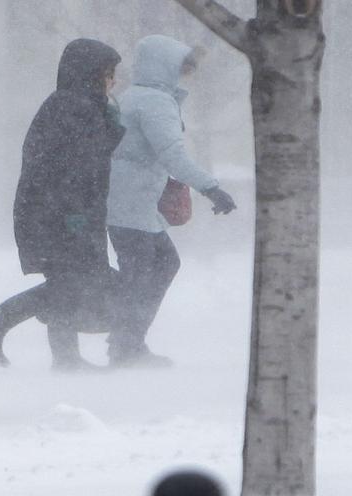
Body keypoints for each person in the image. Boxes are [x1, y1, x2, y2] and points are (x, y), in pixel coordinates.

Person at [0, 39, 125, 372]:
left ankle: (60, 354)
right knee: (72, 283)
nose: (113, 82)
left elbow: (88, 158)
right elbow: (73, 168)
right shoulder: (74, 107)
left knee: (67, 284)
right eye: (109, 74)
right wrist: (76, 218)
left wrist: (110, 118)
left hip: (56, 212)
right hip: (62, 214)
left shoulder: (75, 104)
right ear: (91, 74)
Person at [105, 35, 237, 368]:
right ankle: (126, 346)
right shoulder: (154, 102)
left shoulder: (134, 96)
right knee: (151, 269)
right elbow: (172, 155)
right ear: (165, 65)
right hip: (133, 204)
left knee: (151, 268)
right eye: (181, 67)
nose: (184, 74)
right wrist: (211, 188)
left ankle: (126, 341)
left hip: (128, 202)